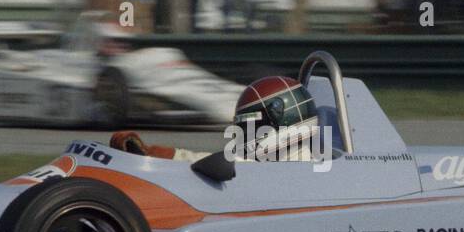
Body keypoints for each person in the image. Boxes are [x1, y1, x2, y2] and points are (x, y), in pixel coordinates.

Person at [108, 75, 322, 163]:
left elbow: (216, 164)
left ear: (281, 119)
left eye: (251, 126)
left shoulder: (298, 166)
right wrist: (154, 153)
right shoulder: (277, 161)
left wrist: (154, 155)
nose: (244, 135)